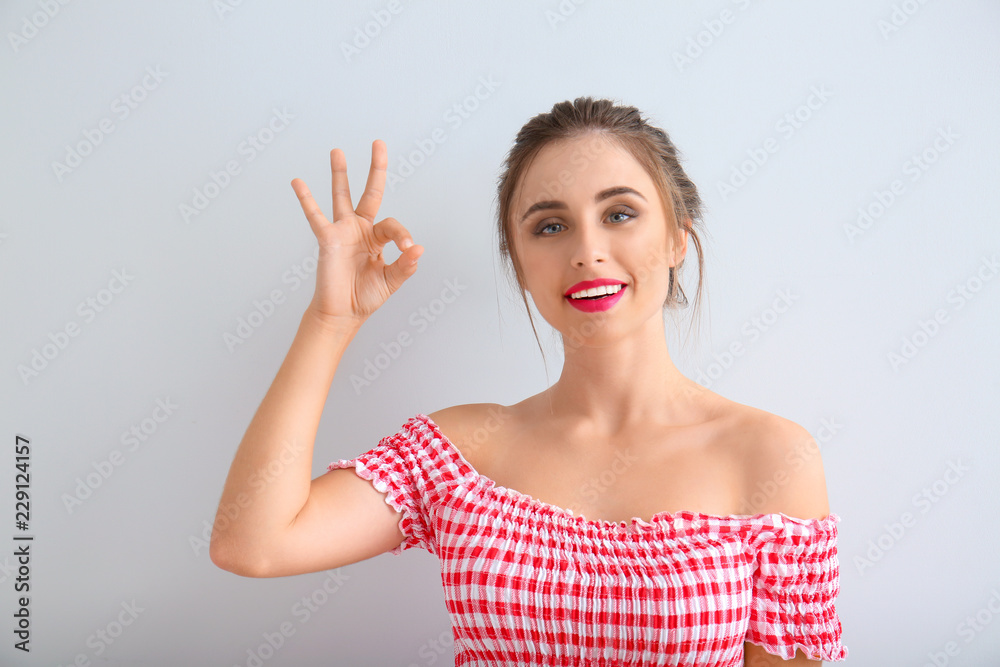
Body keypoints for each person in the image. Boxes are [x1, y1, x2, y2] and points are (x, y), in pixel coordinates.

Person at [210, 97, 848, 665]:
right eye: (550, 225)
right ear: (518, 262)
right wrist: (330, 320)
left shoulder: (769, 456)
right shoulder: (462, 451)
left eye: (620, 214)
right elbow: (253, 542)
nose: (586, 251)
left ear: (679, 237)